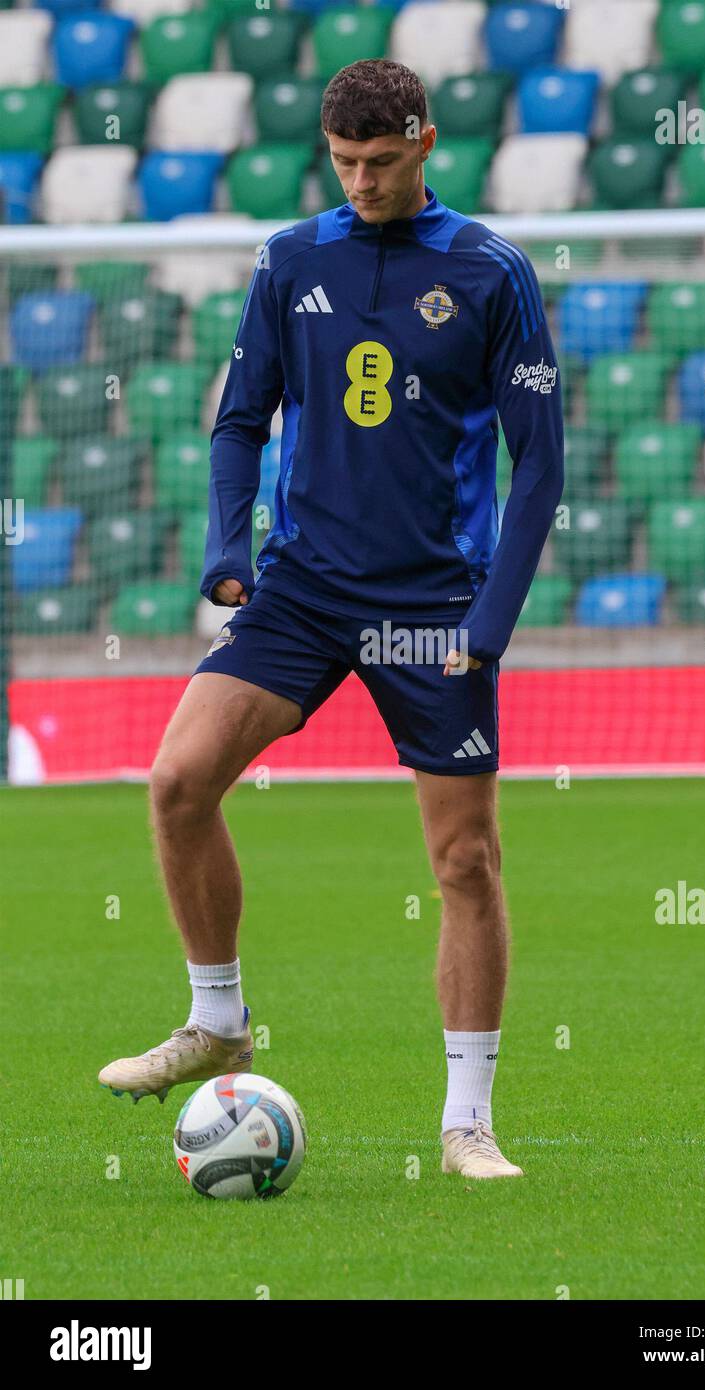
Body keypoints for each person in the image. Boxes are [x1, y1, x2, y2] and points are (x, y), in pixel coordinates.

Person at [99, 59, 564, 1179]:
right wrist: (226, 550)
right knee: (177, 780)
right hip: (304, 588)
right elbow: (238, 422)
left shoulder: (492, 271)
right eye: (345, 161)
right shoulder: (289, 259)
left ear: (425, 143)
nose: (361, 180)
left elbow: (539, 466)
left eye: (383, 161)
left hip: (436, 600)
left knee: (463, 860)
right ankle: (217, 1019)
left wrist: (491, 620)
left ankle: (466, 1122)